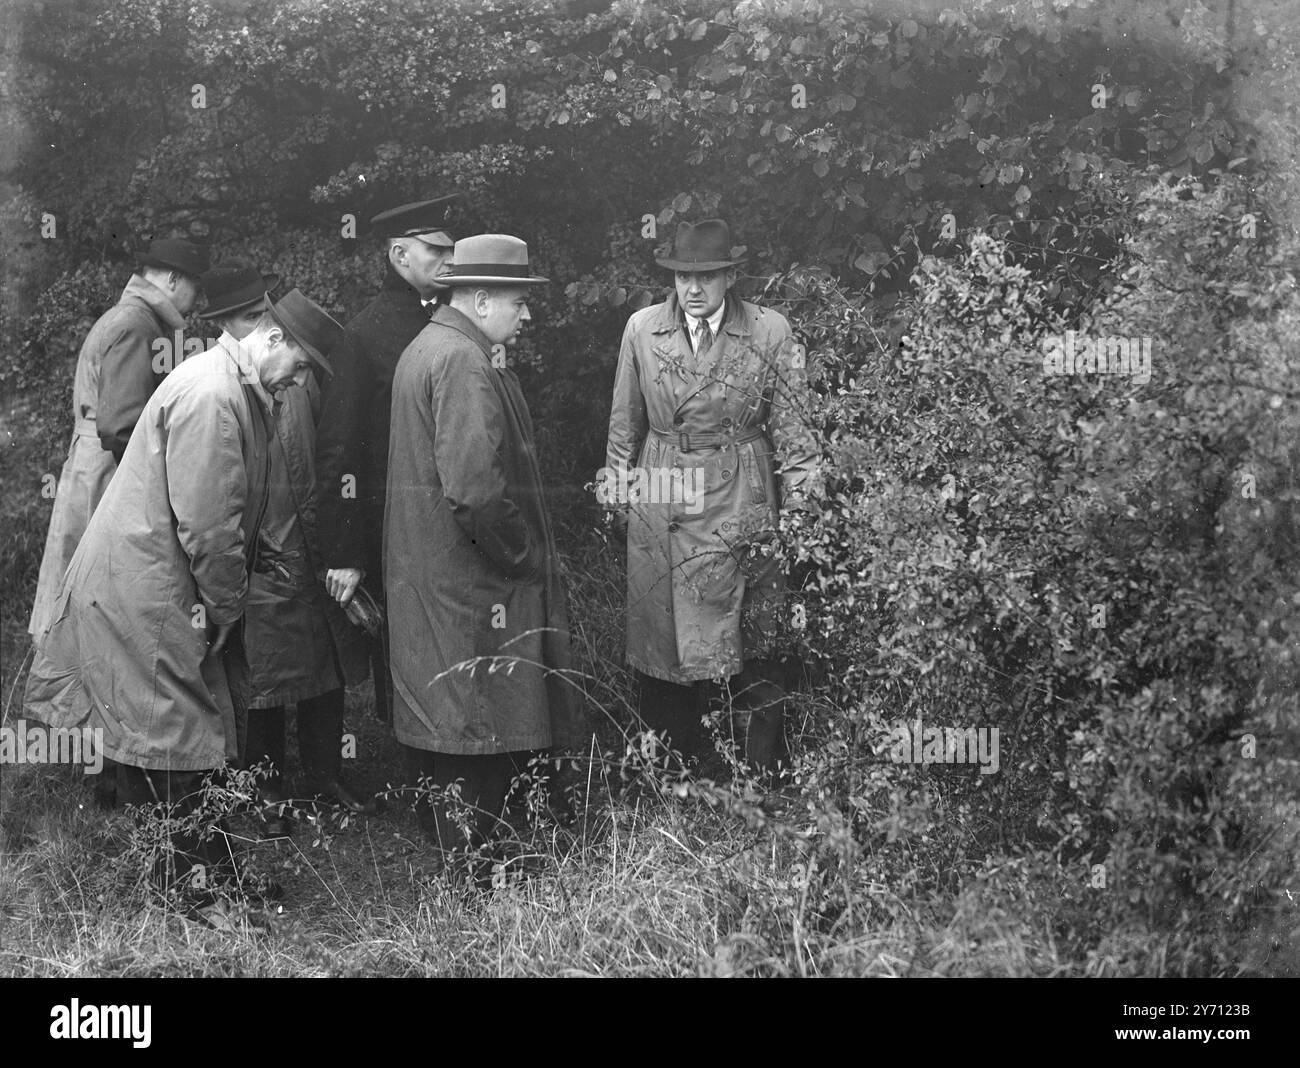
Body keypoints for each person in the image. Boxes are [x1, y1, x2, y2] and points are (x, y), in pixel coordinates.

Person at [24, 288, 342, 904]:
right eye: (301, 364)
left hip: (159, 581)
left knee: (183, 739)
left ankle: (207, 877)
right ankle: (193, 892)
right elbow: (210, 524)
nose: (301, 380)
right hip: (145, 588)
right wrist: (227, 608)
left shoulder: (234, 385)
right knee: (173, 742)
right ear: (272, 339)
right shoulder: (214, 394)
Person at [385, 234, 587, 872]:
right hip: (468, 582)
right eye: (518, 301)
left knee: (458, 720)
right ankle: (483, 875)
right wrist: (527, 557)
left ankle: (473, 867)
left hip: (439, 578)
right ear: (478, 297)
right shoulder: (463, 361)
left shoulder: (434, 347)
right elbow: (474, 493)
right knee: (477, 717)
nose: (527, 315)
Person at [602, 219, 818, 772]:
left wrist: (802, 513)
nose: (692, 289)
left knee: (753, 633)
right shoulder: (641, 329)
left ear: (731, 276)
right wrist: (617, 489)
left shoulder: (771, 332)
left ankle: (757, 769)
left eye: (706, 276)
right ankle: (672, 768)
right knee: (663, 634)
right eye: (681, 277)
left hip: (739, 489)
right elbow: (624, 423)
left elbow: (796, 432)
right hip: (663, 488)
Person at [198, 261, 373, 836]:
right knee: (266, 677)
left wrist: (334, 540)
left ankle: (325, 774)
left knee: (326, 663)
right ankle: (265, 789)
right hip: (261, 550)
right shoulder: (223, 383)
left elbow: (330, 454)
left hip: (310, 539)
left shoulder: (301, 373)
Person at [314, 196, 457, 723]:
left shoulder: (452, 320)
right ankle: (418, 782)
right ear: (399, 254)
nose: (449, 259)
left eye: (452, 249)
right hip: (388, 527)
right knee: (404, 656)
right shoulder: (363, 336)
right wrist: (347, 552)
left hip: (450, 518)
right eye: (435, 250)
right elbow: (338, 451)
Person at [28, 237, 209, 638]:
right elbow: (120, 426)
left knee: (87, 597)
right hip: (107, 473)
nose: (198, 299)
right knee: (96, 601)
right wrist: (158, 482)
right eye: (196, 285)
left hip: (97, 466)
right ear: (174, 279)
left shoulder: (134, 317)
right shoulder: (135, 324)